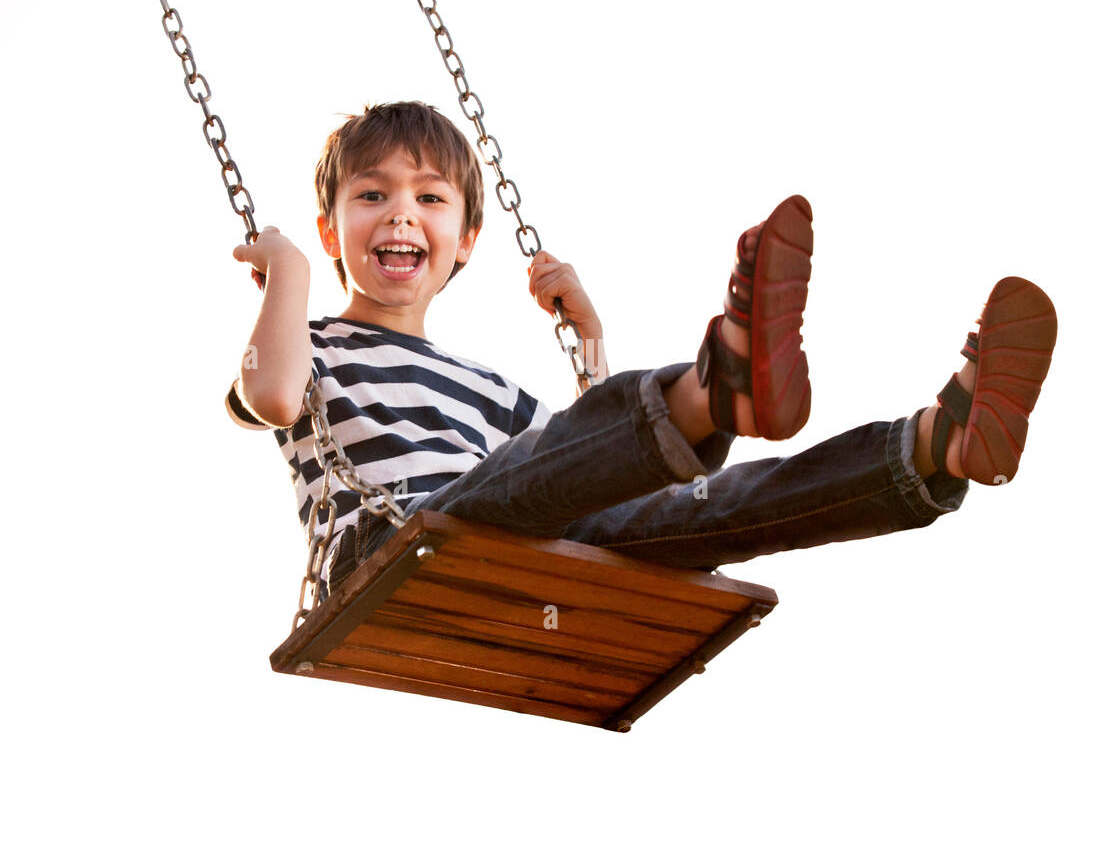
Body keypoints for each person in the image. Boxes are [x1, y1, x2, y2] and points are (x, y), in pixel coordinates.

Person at [226, 101, 1058, 595]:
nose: (401, 214)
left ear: (466, 238)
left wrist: (590, 340)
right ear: (335, 227)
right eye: (371, 195)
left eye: (429, 198)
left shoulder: (483, 385)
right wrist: (290, 271)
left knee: (709, 509)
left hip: (499, 528)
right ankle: (713, 389)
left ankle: (930, 447)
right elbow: (268, 399)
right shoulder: (307, 342)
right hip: (391, 545)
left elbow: (572, 467)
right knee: (547, 481)